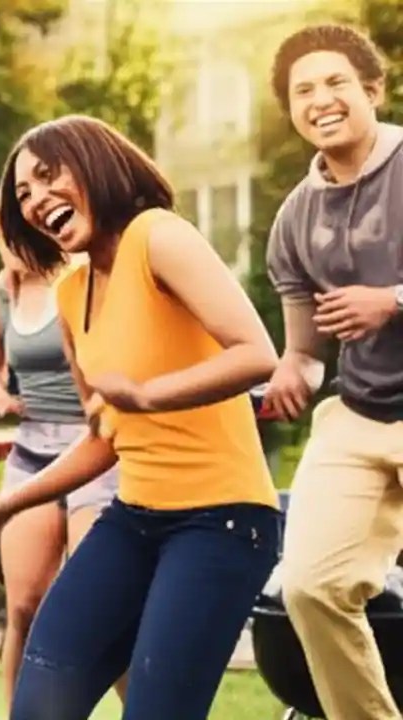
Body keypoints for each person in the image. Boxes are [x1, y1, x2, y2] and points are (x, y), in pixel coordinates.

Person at [0, 115, 281, 720]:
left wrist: (148, 395)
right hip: (133, 519)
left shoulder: (158, 236)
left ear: (95, 162)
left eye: (47, 176)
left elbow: (256, 353)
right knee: (39, 706)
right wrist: (9, 503)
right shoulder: (69, 292)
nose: (35, 201)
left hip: (222, 521)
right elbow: (103, 437)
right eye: (22, 195)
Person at [263, 24, 403, 720]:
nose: (321, 99)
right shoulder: (295, 218)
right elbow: (307, 351)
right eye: (304, 90)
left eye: (336, 82)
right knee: (310, 588)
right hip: (360, 415)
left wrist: (394, 300)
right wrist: (290, 374)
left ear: (372, 89)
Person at [0, 190, 122, 710]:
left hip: (97, 455)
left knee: (100, 608)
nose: (8, 242)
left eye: (17, 228)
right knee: (24, 607)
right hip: (32, 454)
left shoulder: (84, 283)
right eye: (1, 230)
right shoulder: (2, 293)